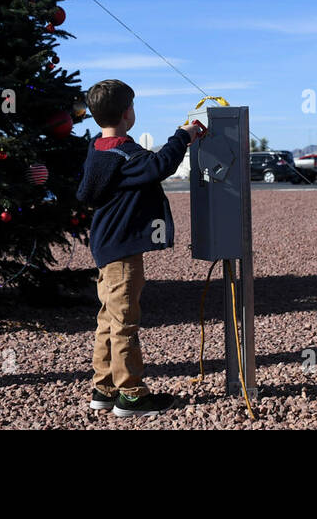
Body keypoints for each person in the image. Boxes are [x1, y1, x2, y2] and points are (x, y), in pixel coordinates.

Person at [76, 79, 197, 418]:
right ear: (128, 112)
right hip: (122, 253)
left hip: (105, 247)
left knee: (108, 319)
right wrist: (183, 135)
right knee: (125, 321)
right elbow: (161, 165)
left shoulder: (97, 149)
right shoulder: (126, 154)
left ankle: (104, 387)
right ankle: (131, 394)